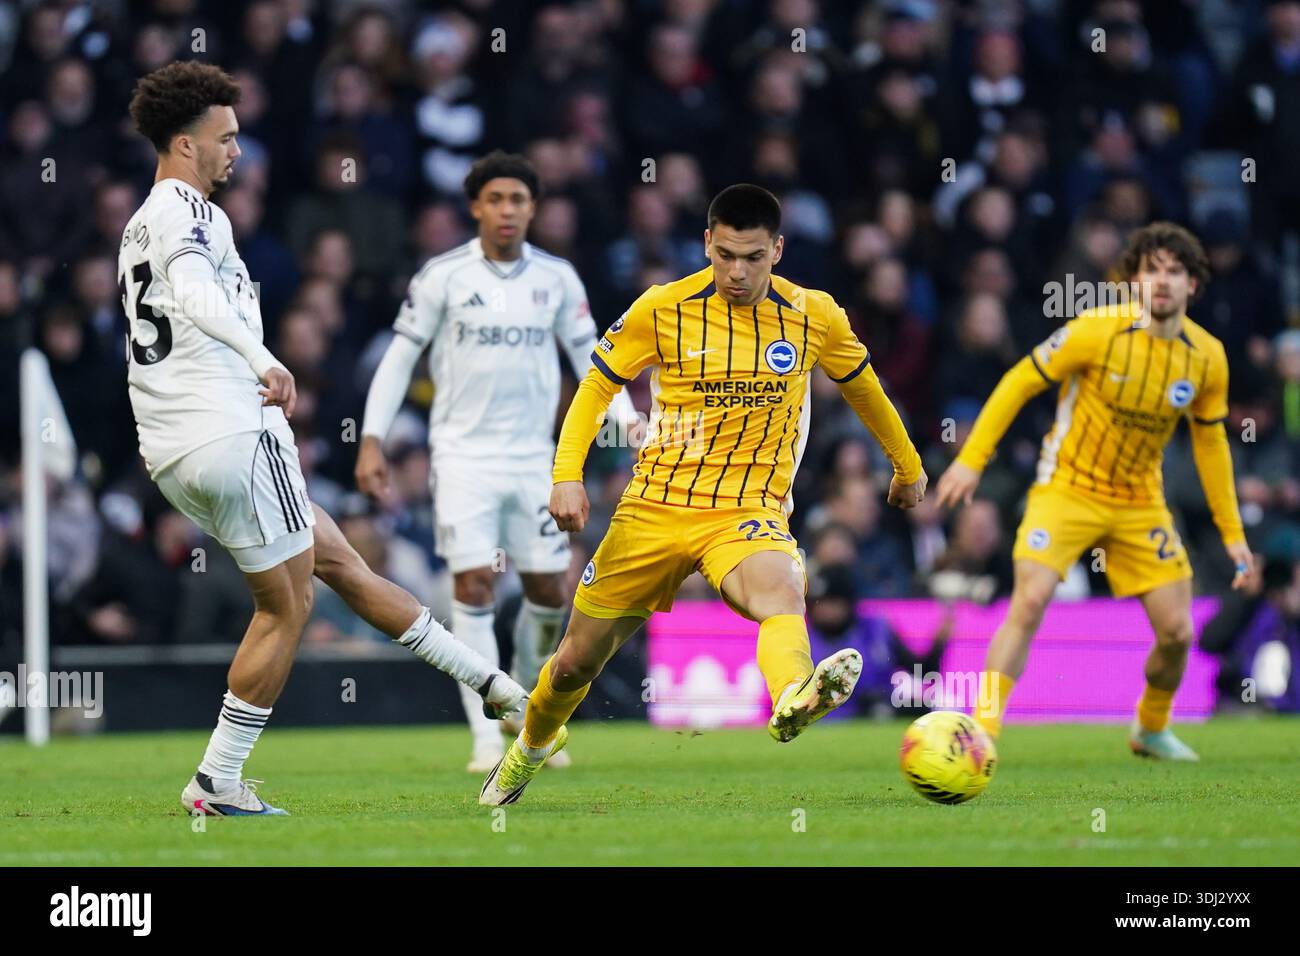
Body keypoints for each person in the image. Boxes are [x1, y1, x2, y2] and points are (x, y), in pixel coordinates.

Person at [120, 63, 526, 816]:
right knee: (286, 604)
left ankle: (498, 688)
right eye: (226, 139)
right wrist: (261, 357)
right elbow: (197, 291)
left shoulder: (139, 222)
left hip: (174, 447)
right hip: (233, 429)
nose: (239, 152)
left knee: (339, 562)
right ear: (184, 144)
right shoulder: (191, 215)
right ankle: (218, 779)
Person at [480, 184, 928, 805]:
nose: (737, 272)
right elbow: (595, 387)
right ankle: (527, 749)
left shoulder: (814, 315)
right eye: (724, 256)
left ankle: (797, 692)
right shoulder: (663, 307)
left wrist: (907, 466)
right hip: (655, 507)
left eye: (751, 257)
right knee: (574, 664)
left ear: (776, 249)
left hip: (747, 510)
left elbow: (865, 389)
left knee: (781, 591)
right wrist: (567, 474)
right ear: (706, 246)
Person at [356, 151, 638, 771]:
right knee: (474, 584)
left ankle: (525, 712)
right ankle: (486, 736)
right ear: (476, 207)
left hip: (536, 458)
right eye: (496, 199)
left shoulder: (558, 279)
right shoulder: (443, 276)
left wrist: (628, 423)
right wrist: (372, 437)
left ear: (532, 209)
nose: (507, 210)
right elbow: (402, 358)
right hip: (461, 456)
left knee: (547, 589)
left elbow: (595, 359)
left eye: (519, 199)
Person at [935, 221, 1256, 761]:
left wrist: (1233, 533)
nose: (1162, 282)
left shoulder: (1207, 358)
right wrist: (971, 460)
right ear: (1131, 281)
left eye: (1175, 273)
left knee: (1177, 634)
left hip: (1139, 501)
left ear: (1193, 287)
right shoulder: (1096, 330)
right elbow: (1020, 380)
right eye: (1151, 271)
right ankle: (984, 728)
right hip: (1067, 489)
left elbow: (1211, 446)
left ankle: (1150, 728)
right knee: (1031, 598)